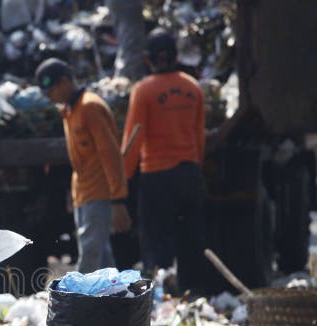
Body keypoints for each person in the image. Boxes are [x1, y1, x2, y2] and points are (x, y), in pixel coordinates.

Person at [121, 29, 206, 293]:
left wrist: (121, 181)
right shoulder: (193, 87)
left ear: (148, 59)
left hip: (157, 177)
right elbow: (199, 135)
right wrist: (196, 168)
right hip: (190, 173)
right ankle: (192, 291)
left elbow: (134, 138)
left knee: (156, 240)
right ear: (176, 56)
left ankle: (161, 293)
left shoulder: (144, 90)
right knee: (190, 237)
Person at [35, 58, 131, 273]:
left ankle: (78, 294)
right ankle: (112, 294)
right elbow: (81, 160)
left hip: (99, 191)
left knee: (90, 254)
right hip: (84, 193)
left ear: (65, 82)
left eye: (51, 91)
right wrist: (75, 194)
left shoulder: (90, 107)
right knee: (102, 256)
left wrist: (118, 199)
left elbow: (111, 155)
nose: (49, 97)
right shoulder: (69, 111)